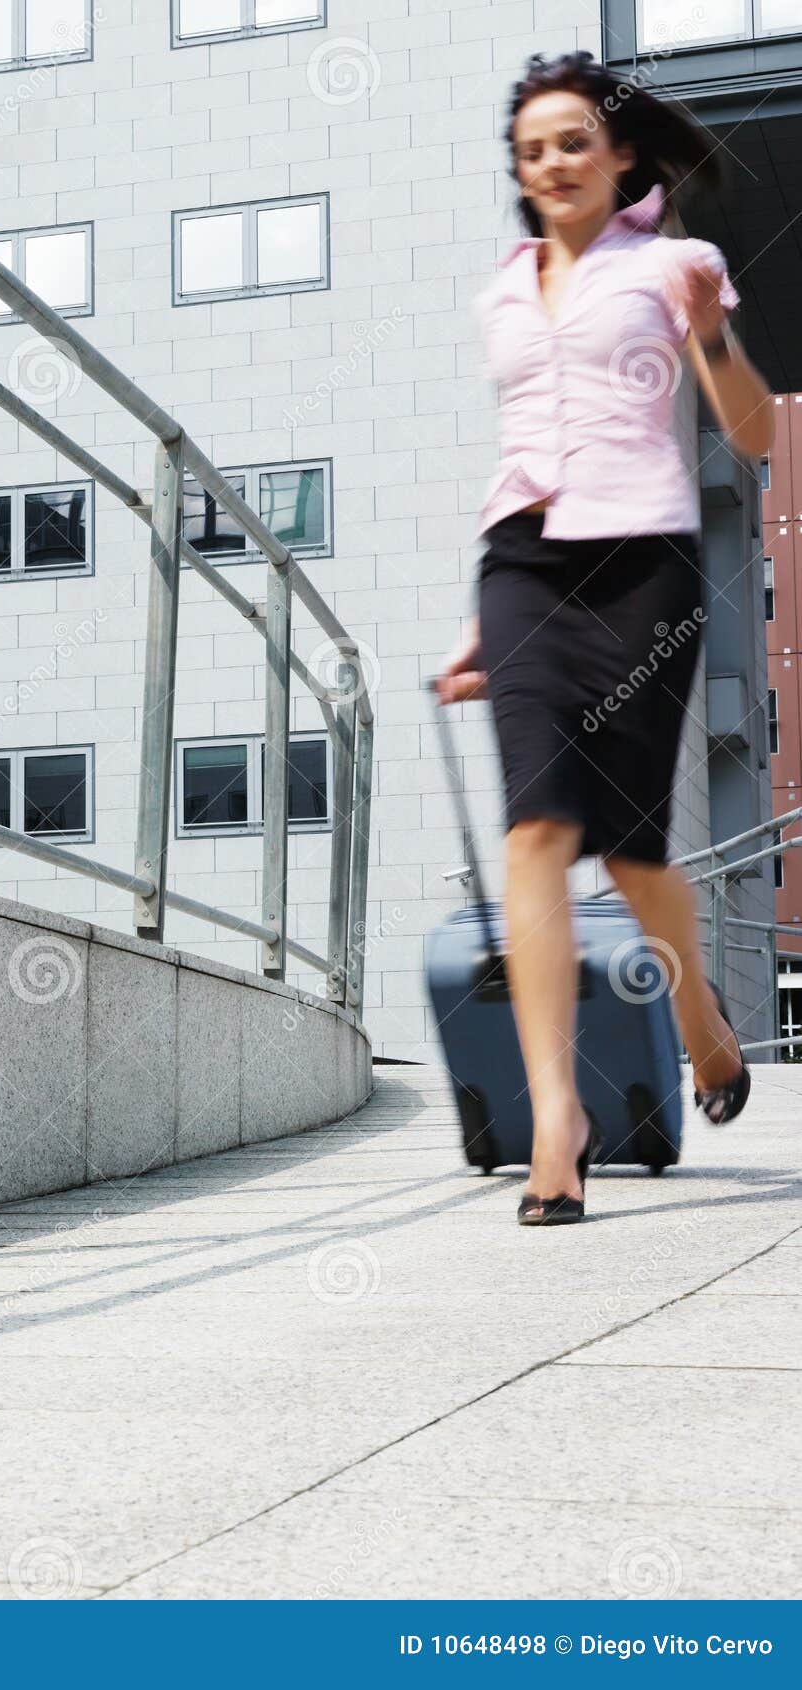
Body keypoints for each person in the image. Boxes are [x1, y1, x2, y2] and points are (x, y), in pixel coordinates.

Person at [435, 51, 774, 1226]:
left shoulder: (676, 265)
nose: (554, 164)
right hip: (525, 564)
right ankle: (556, 1126)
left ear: (620, 154)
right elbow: (525, 443)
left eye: (573, 140)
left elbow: (755, 433)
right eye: (533, 150)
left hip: (643, 567)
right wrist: (487, 631)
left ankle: (701, 1025)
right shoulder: (500, 288)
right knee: (536, 829)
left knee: (632, 856)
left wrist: (713, 340)